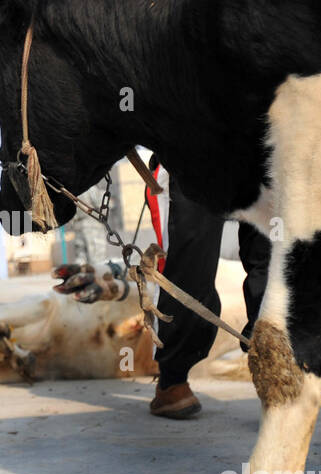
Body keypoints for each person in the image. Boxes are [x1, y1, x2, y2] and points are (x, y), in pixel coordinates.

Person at [54, 164, 271, 419]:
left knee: (186, 263)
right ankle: (278, 377)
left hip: (195, 151)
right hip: (260, 146)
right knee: (269, 259)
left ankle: (174, 383)